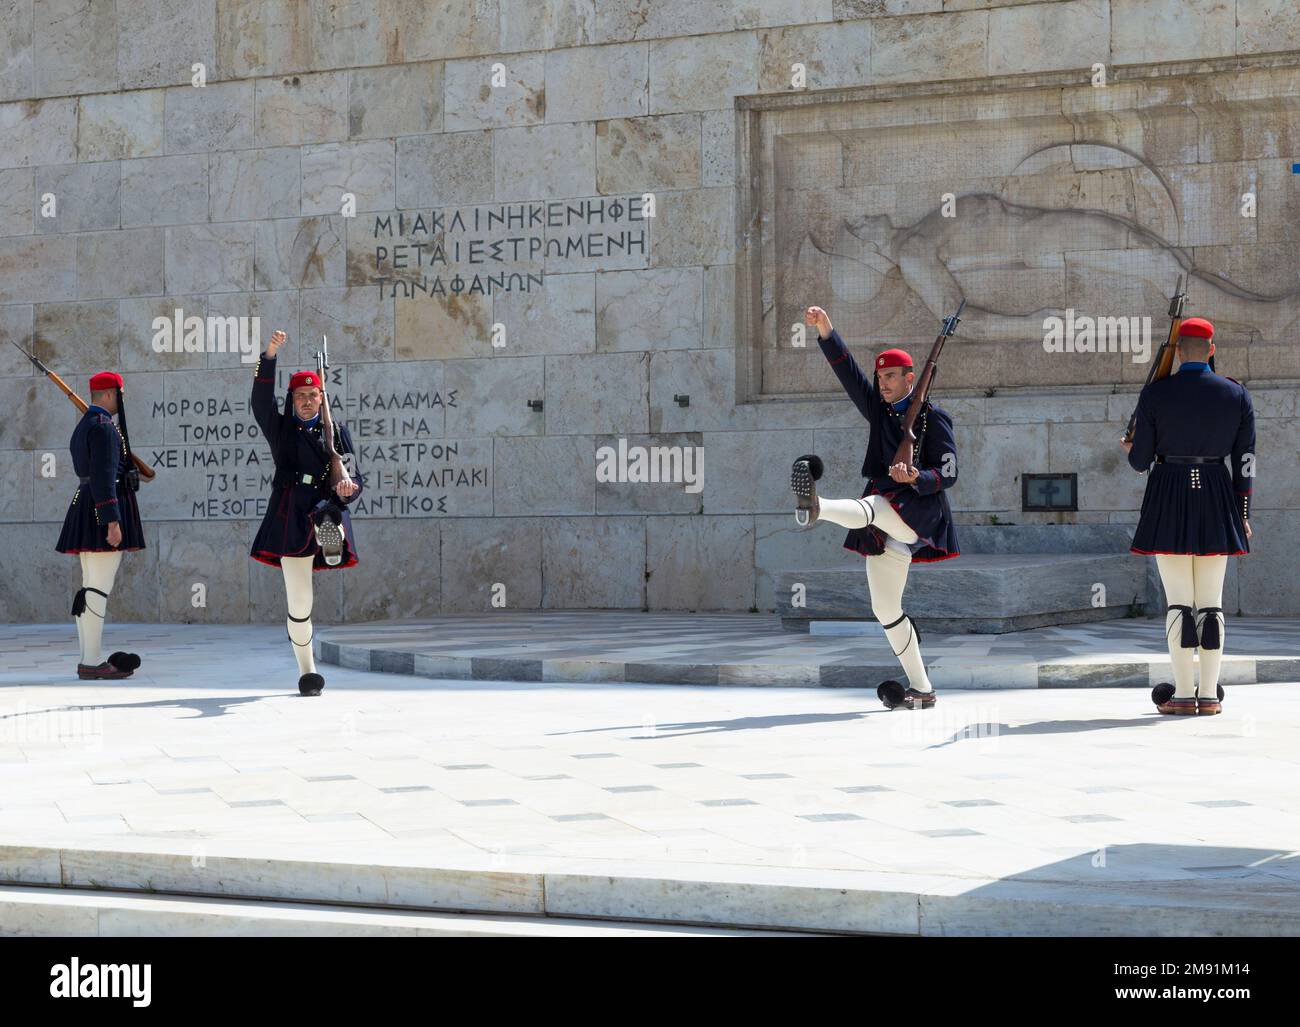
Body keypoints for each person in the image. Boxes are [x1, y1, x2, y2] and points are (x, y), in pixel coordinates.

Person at [792, 306, 959, 710]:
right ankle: (922, 688)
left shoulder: (934, 418)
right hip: (885, 527)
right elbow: (848, 372)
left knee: (872, 506)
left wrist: (916, 476)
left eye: (890, 377)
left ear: (910, 379)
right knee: (885, 608)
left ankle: (818, 506)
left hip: (916, 514)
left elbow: (949, 471)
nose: (882, 384)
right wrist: (826, 330)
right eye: (880, 377)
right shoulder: (878, 411)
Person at [1124, 317, 1254, 715]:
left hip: (1169, 493)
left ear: (1178, 352)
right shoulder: (1236, 394)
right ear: (1212, 350)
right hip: (1217, 494)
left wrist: (1131, 446)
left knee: (1179, 602)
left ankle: (1182, 693)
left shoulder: (1156, 393)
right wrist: (1242, 512)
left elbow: (1140, 461)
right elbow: (1245, 461)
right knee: (1210, 603)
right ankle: (1210, 694)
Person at [250, 330, 363, 696]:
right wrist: (269, 356)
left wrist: (349, 487)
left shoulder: (337, 432)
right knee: (300, 603)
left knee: (330, 514)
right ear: (292, 399)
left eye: (313, 395)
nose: (307, 401)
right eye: (300, 396)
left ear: (321, 397)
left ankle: (331, 536)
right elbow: (260, 401)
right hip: (291, 515)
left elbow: (355, 477)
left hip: (326, 507)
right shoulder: (280, 429)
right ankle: (307, 671)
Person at [55, 371, 145, 680]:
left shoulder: (85, 425)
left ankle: (88, 658)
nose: (122, 400)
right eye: (120, 394)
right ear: (108, 394)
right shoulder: (105, 428)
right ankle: (92, 661)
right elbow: (105, 476)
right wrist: (112, 521)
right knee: (97, 588)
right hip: (101, 509)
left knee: (90, 586)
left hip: (86, 504)